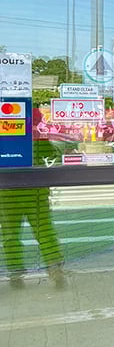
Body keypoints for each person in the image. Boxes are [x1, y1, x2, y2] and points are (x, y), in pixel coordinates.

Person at [0, 109, 65, 288]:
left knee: (10, 235)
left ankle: (15, 274)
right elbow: (52, 157)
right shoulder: (37, 139)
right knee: (44, 232)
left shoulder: (5, 137)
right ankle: (54, 268)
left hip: (7, 193)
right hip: (35, 193)